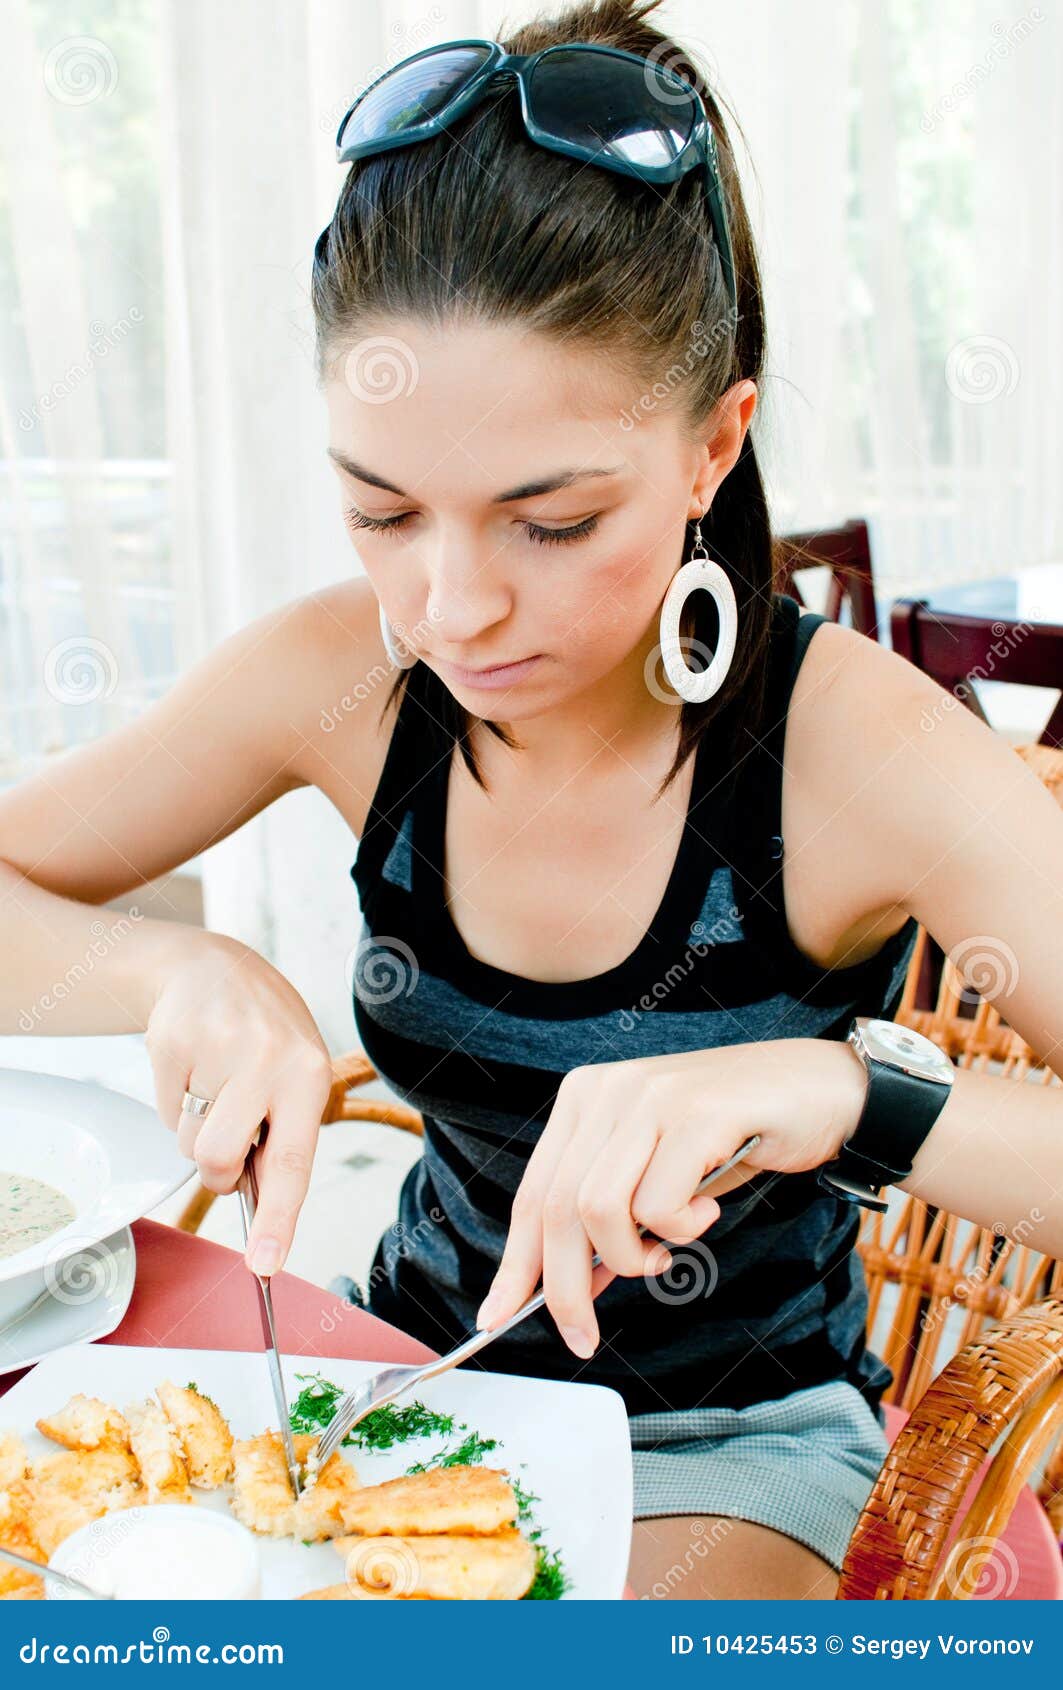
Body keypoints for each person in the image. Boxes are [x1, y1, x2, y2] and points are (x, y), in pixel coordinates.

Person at [3, 0, 1063, 1600]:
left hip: (728, 1439)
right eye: (382, 508)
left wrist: (839, 1090)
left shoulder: (850, 748)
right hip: (408, 1376)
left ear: (714, 444)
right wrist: (177, 968)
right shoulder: (334, 682)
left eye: (550, 521)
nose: (451, 608)